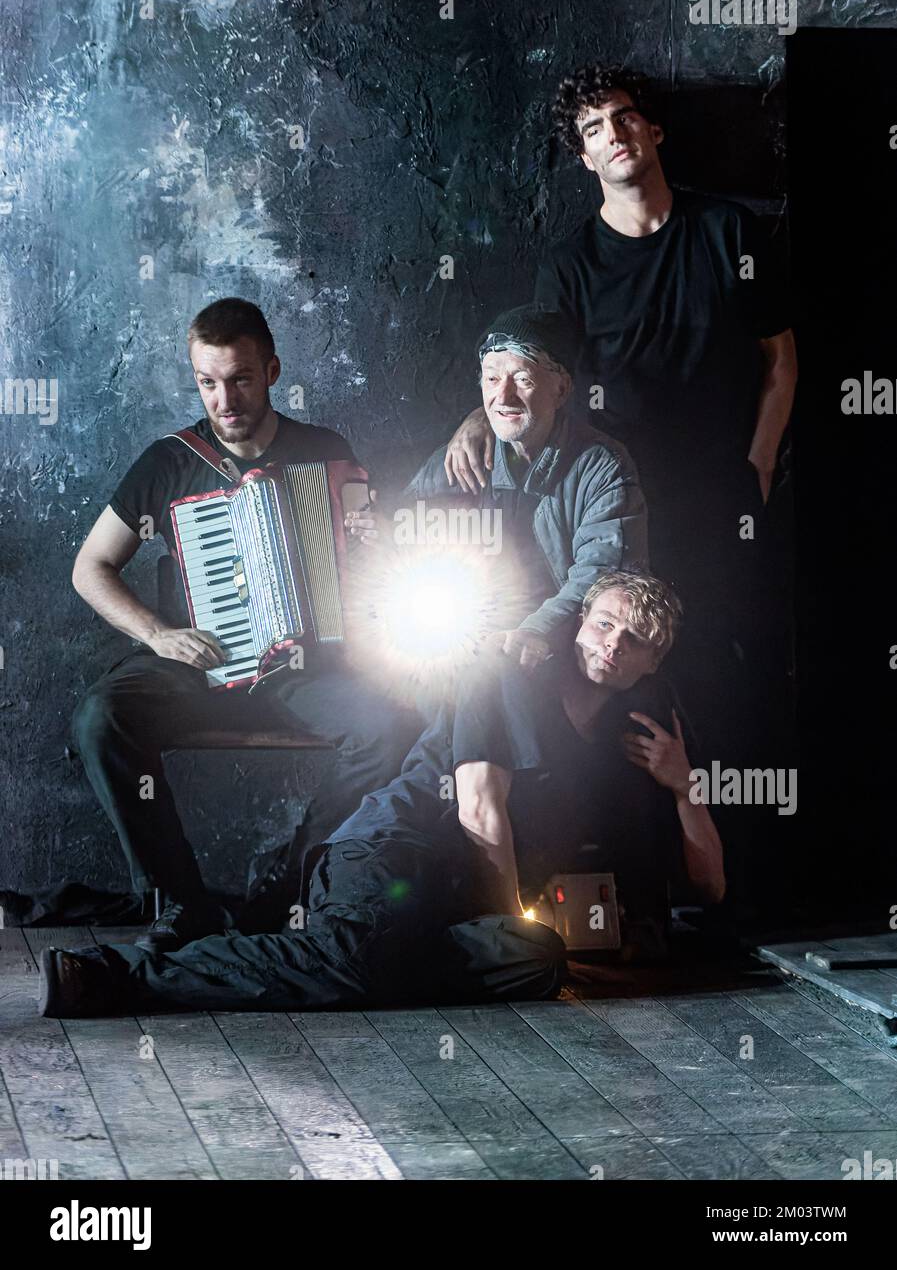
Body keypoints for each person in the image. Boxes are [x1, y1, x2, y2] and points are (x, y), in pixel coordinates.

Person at [38, 571, 722, 1018]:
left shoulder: (632, 740)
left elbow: (710, 890)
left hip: (447, 910)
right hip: (389, 853)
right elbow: (481, 812)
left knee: (537, 957)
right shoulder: (507, 676)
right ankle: (121, 974)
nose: (612, 644)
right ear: (577, 623)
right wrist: (509, 918)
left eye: (634, 641)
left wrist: (682, 785)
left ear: (651, 664)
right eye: (603, 623)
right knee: (364, 960)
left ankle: (362, 959)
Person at [442, 67, 797, 769]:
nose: (614, 134)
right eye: (593, 128)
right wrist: (475, 420)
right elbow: (530, 368)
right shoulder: (570, 262)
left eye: (624, 117)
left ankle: (732, 849)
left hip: (723, 489)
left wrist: (757, 462)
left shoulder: (728, 231)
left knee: (738, 660)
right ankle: (635, 843)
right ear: (584, 156)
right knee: (623, 668)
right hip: (618, 498)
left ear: (653, 129)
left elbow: (780, 359)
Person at [70, 297, 420, 954]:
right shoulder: (169, 461)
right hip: (195, 665)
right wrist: (156, 633)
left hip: (304, 665)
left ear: (271, 371)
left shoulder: (325, 451)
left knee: (390, 723)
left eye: (239, 379)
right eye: (207, 381)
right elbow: (91, 567)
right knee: (99, 718)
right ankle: (183, 904)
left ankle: (287, 886)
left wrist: (378, 543)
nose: (223, 399)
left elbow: (374, 562)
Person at [398, 302, 649, 675]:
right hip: (463, 642)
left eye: (524, 380)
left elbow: (603, 581)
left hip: (558, 652)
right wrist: (380, 531)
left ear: (561, 389)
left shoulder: (602, 466)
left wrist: (533, 632)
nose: (504, 396)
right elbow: (405, 530)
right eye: (492, 379)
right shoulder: (460, 455)